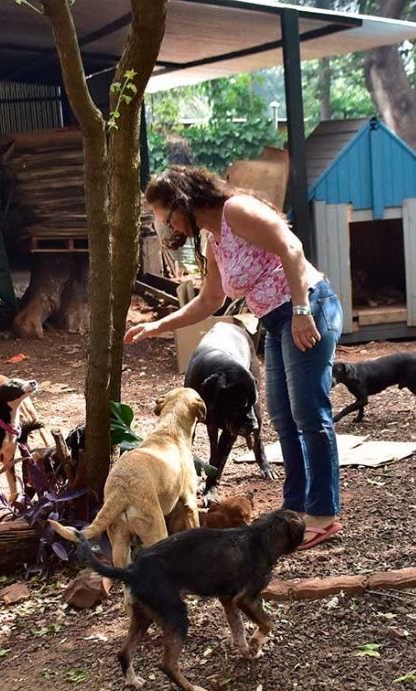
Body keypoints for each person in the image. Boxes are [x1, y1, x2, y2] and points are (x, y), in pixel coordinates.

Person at [125, 166, 343, 549]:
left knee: (310, 414)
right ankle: (294, 510)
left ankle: (323, 515)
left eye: (167, 217)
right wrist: (158, 326)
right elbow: (210, 299)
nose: (168, 226)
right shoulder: (215, 240)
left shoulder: (237, 210)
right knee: (282, 417)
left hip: (308, 308)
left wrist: (301, 311)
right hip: (276, 321)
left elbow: (291, 248)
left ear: (183, 202)